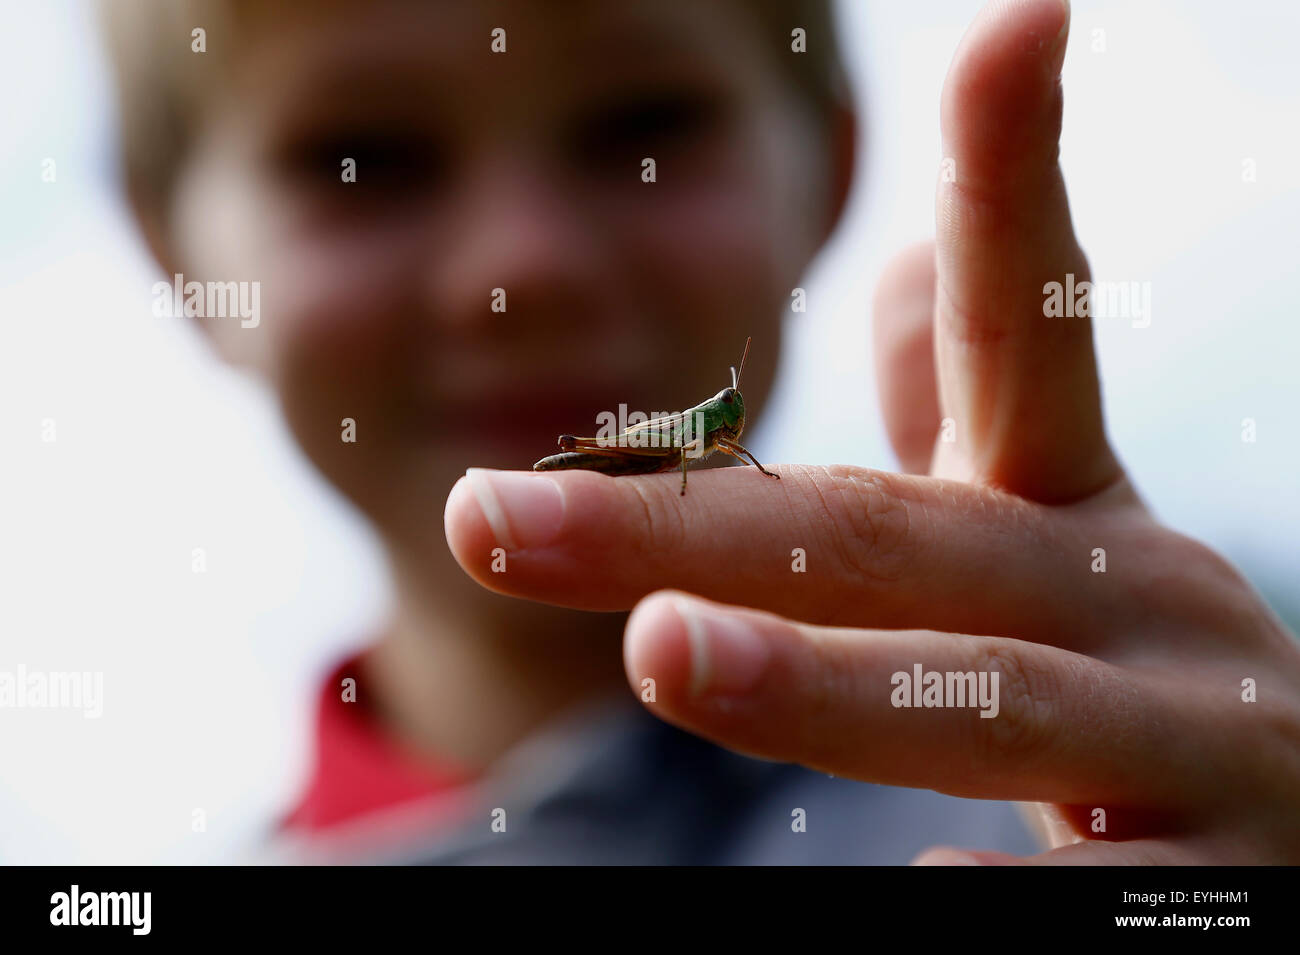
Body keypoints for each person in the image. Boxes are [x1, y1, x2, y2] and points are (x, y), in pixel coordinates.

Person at [101, 0, 1300, 864]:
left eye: (643, 124)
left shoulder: (1063, 788)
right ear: (173, 257)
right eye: (364, 165)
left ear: (828, 176)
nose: (524, 267)